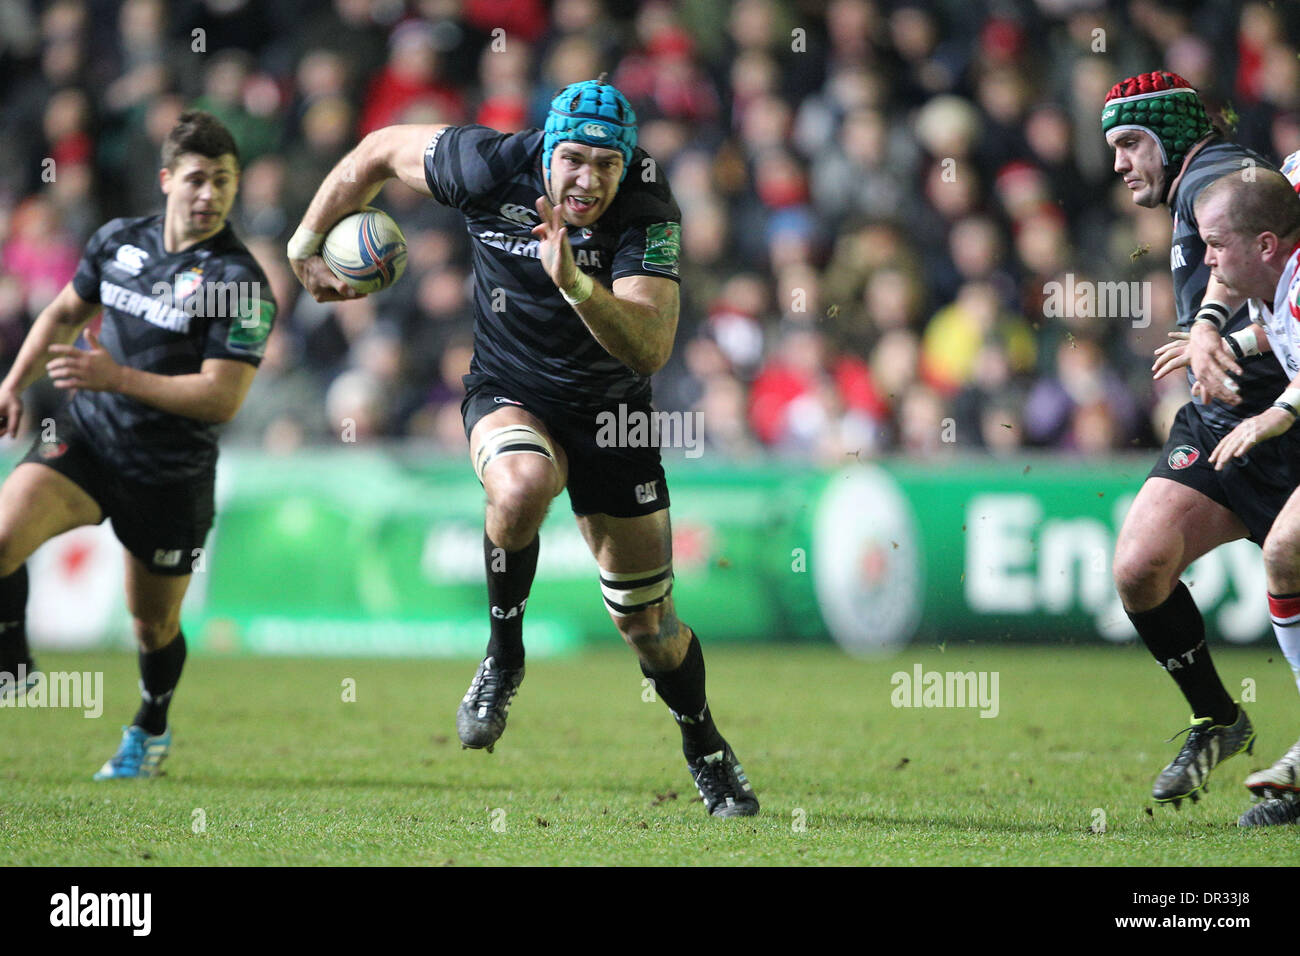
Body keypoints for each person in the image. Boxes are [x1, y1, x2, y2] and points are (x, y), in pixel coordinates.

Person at [287, 78, 758, 817]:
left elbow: (649, 347)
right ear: (545, 151)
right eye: (574, 160)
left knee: (650, 627)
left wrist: (575, 283)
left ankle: (704, 743)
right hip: (511, 388)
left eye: (607, 164)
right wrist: (306, 240)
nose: (589, 180)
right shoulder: (486, 162)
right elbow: (377, 151)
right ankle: (504, 655)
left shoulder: (648, 207)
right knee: (519, 486)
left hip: (612, 418)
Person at [0, 111, 277, 778]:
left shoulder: (240, 284)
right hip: (88, 437)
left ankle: (150, 725)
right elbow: (66, 312)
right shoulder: (119, 240)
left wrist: (115, 376)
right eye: (197, 180)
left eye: (224, 182)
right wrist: (12, 383)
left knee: (152, 625)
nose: (209, 194)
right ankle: (12, 659)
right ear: (166, 180)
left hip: (169, 473)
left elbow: (222, 397)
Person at [1103, 71, 1299, 808]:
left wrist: (1216, 328)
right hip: (1224, 427)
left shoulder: (1213, 174)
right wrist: (1221, 333)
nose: (1120, 162)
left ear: (1173, 134)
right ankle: (1217, 716)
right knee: (1141, 565)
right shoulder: (1210, 183)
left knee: (1285, 565)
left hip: (1280, 423)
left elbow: (1250, 243)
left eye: (1130, 142)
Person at [1185, 165, 1300, 825]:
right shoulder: (1275, 286)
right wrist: (1227, 341)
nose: (1207, 260)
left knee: (1286, 548)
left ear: (1262, 244)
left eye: (1216, 244)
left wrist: (1275, 416)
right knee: (1285, 552)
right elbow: (1283, 333)